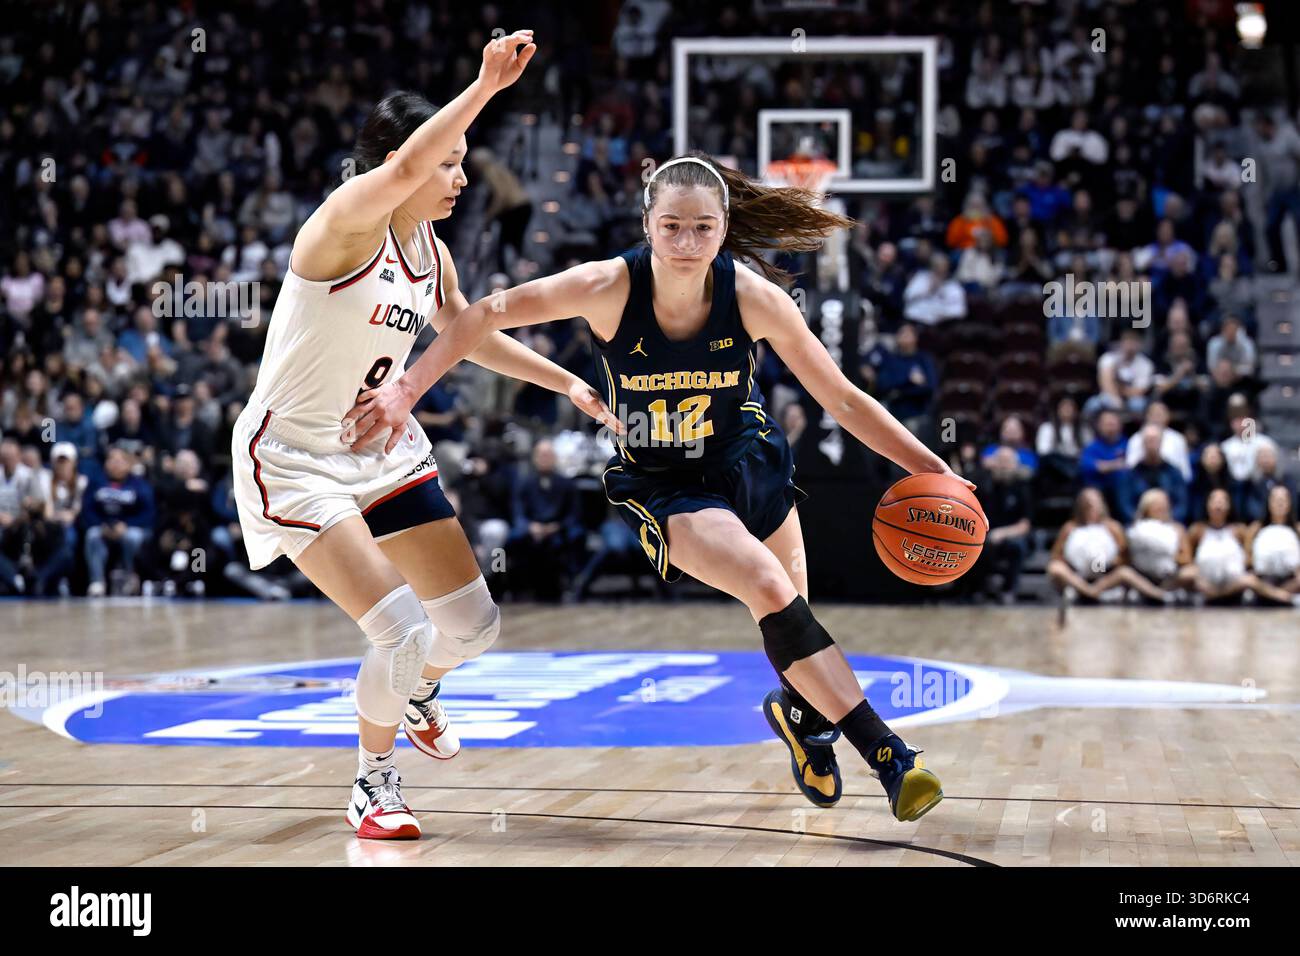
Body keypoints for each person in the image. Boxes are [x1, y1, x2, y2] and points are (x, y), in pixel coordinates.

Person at [348, 151, 975, 824]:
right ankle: (889, 756)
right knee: (769, 586)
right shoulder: (607, 286)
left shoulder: (755, 299)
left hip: (750, 460)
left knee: (793, 626)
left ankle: (802, 722)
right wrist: (407, 388)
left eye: (702, 228)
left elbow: (845, 401)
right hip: (666, 483)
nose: (685, 242)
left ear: (724, 226)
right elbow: (483, 315)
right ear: (647, 224)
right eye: (671, 226)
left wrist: (930, 469)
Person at [228, 34, 618, 840]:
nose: (463, 176)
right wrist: (483, 86)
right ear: (404, 159)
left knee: (473, 628)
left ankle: (417, 689)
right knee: (401, 630)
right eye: (450, 162)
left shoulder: (428, 250)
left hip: (380, 453)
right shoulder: (339, 226)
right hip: (296, 459)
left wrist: (565, 381)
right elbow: (404, 172)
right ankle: (373, 783)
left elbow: (468, 329)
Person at [1177, 488, 1290, 604]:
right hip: (1206, 581)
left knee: (1250, 580)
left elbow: (1249, 556)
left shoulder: (1239, 530)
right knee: (1185, 574)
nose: (1218, 506)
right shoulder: (1197, 530)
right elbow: (1187, 558)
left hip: (1233, 583)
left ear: (1229, 506)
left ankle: (1283, 596)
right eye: (1215, 501)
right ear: (1207, 505)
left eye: (1222, 502)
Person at [1046, 488, 1148, 603]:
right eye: (1087, 504)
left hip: (1105, 576)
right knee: (1055, 568)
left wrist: (1110, 561)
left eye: (1095, 504)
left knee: (1125, 573)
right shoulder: (1070, 527)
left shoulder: (1113, 527)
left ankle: (1161, 595)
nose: (1092, 508)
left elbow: (1125, 557)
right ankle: (1088, 591)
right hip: (1078, 576)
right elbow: (1055, 556)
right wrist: (1072, 561)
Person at [1124, 488, 1189, 604]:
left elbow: (1186, 558)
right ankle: (1158, 594)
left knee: (1191, 573)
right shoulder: (1135, 529)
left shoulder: (1177, 529)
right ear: (1146, 507)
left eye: (1164, 505)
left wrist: (1168, 556)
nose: (1161, 508)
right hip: (1142, 576)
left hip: (1168, 577)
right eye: (1157, 505)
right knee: (1123, 573)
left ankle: (1159, 592)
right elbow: (1127, 556)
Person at [1244, 485, 1300, 603]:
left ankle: (1272, 595)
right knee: (1248, 579)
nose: (1279, 503)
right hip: (1263, 579)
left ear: (1290, 503)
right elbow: (1247, 559)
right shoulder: (1255, 528)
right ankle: (1284, 597)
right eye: (1275, 499)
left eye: (1283, 499)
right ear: (1268, 503)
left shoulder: (1297, 529)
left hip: (1290, 580)